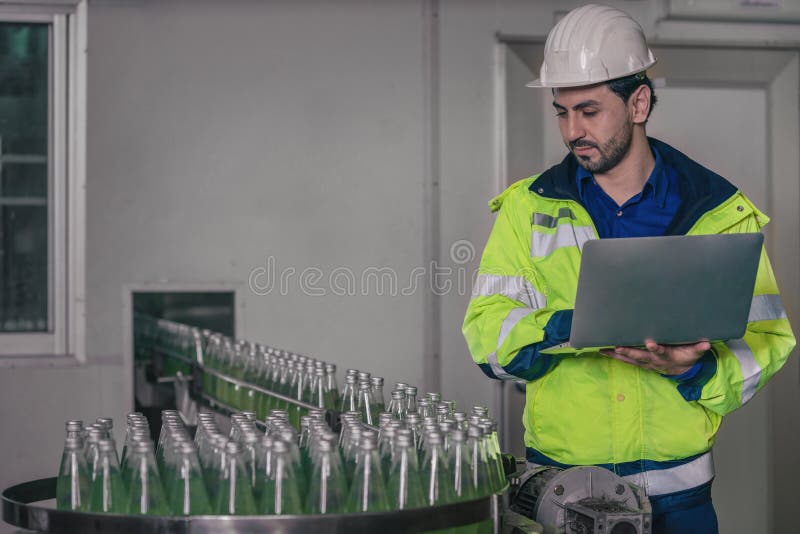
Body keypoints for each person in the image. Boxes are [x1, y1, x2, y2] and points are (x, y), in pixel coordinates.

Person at [462, 4, 795, 533]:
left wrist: (692, 369)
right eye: (562, 111)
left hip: (680, 500)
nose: (573, 131)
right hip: (563, 493)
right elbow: (485, 336)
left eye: (589, 110)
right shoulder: (529, 210)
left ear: (638, 102)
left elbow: (768, 340)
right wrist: (572, 325)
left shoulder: (718, 210)